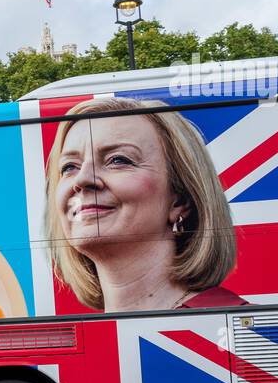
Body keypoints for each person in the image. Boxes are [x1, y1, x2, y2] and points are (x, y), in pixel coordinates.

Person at [44, 96, 246, 312]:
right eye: (69, 167)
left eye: (118, 160)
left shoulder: (245, 333)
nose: (82, 179)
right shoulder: (91, 337)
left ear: (180, 200)